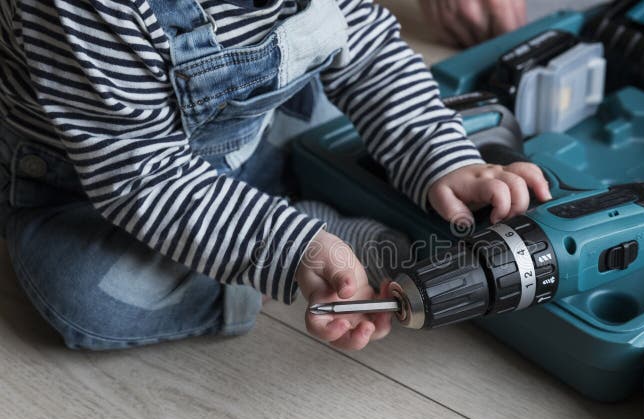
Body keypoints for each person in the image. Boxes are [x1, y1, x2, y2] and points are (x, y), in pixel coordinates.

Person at [0, 0, 552, 351]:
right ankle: (294, 229)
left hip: (256, 126)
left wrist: (444, 155)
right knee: (87, 297)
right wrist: (292, 249)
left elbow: (367, 49)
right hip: (101, 186)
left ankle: (286, 211)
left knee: (348, 111)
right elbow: (142, 175)